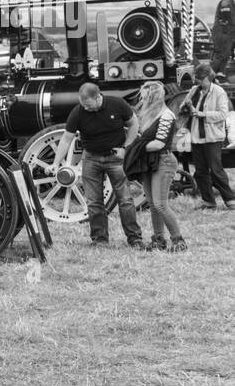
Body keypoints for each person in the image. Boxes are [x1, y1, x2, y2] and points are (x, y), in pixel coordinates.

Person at [52, 82, 144, 248]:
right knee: (94, 202)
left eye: (88, 105)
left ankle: (135, 238)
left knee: (125, 200)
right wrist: (56, 162)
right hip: (91, 159)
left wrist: (125, 148)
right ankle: (100, 239)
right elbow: (66, 138)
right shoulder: (78, 111)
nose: (85, 108)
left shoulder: (117, 104)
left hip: (115, 158)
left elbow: (133, 124)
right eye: (83, 104)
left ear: (98, 97)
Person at [125, 81, 187, 252]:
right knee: (153, 204)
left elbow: (159, 144)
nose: (141, 99)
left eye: (144, 96)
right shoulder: (151, 115)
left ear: (153, 96)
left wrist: (136, 147)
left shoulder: (166, 115)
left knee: (160, 204)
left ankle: (178, 240)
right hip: (151, 162)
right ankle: (159, 239)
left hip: (163, 160)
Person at [182, 63, 234, 210]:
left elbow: (223, 114)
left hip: (212, 138)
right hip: (196, 137)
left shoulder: (219, 92)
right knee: (200, 171)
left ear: (208, 77)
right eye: (196, 78)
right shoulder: (194, 90)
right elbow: (184, 109)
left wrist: (202, 114)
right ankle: (209, 202)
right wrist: (185, 106)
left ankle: (230, 200)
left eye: (200, 78)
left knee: (216, 170)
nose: (198, 81)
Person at [212, 0, 234, 78]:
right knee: (221, 55)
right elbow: (231, 18)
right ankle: (209, 76)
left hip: (227, 33)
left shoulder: (231, 3)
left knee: (226, 53)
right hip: (221, 33)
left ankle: (220, 73)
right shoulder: (226, 2)